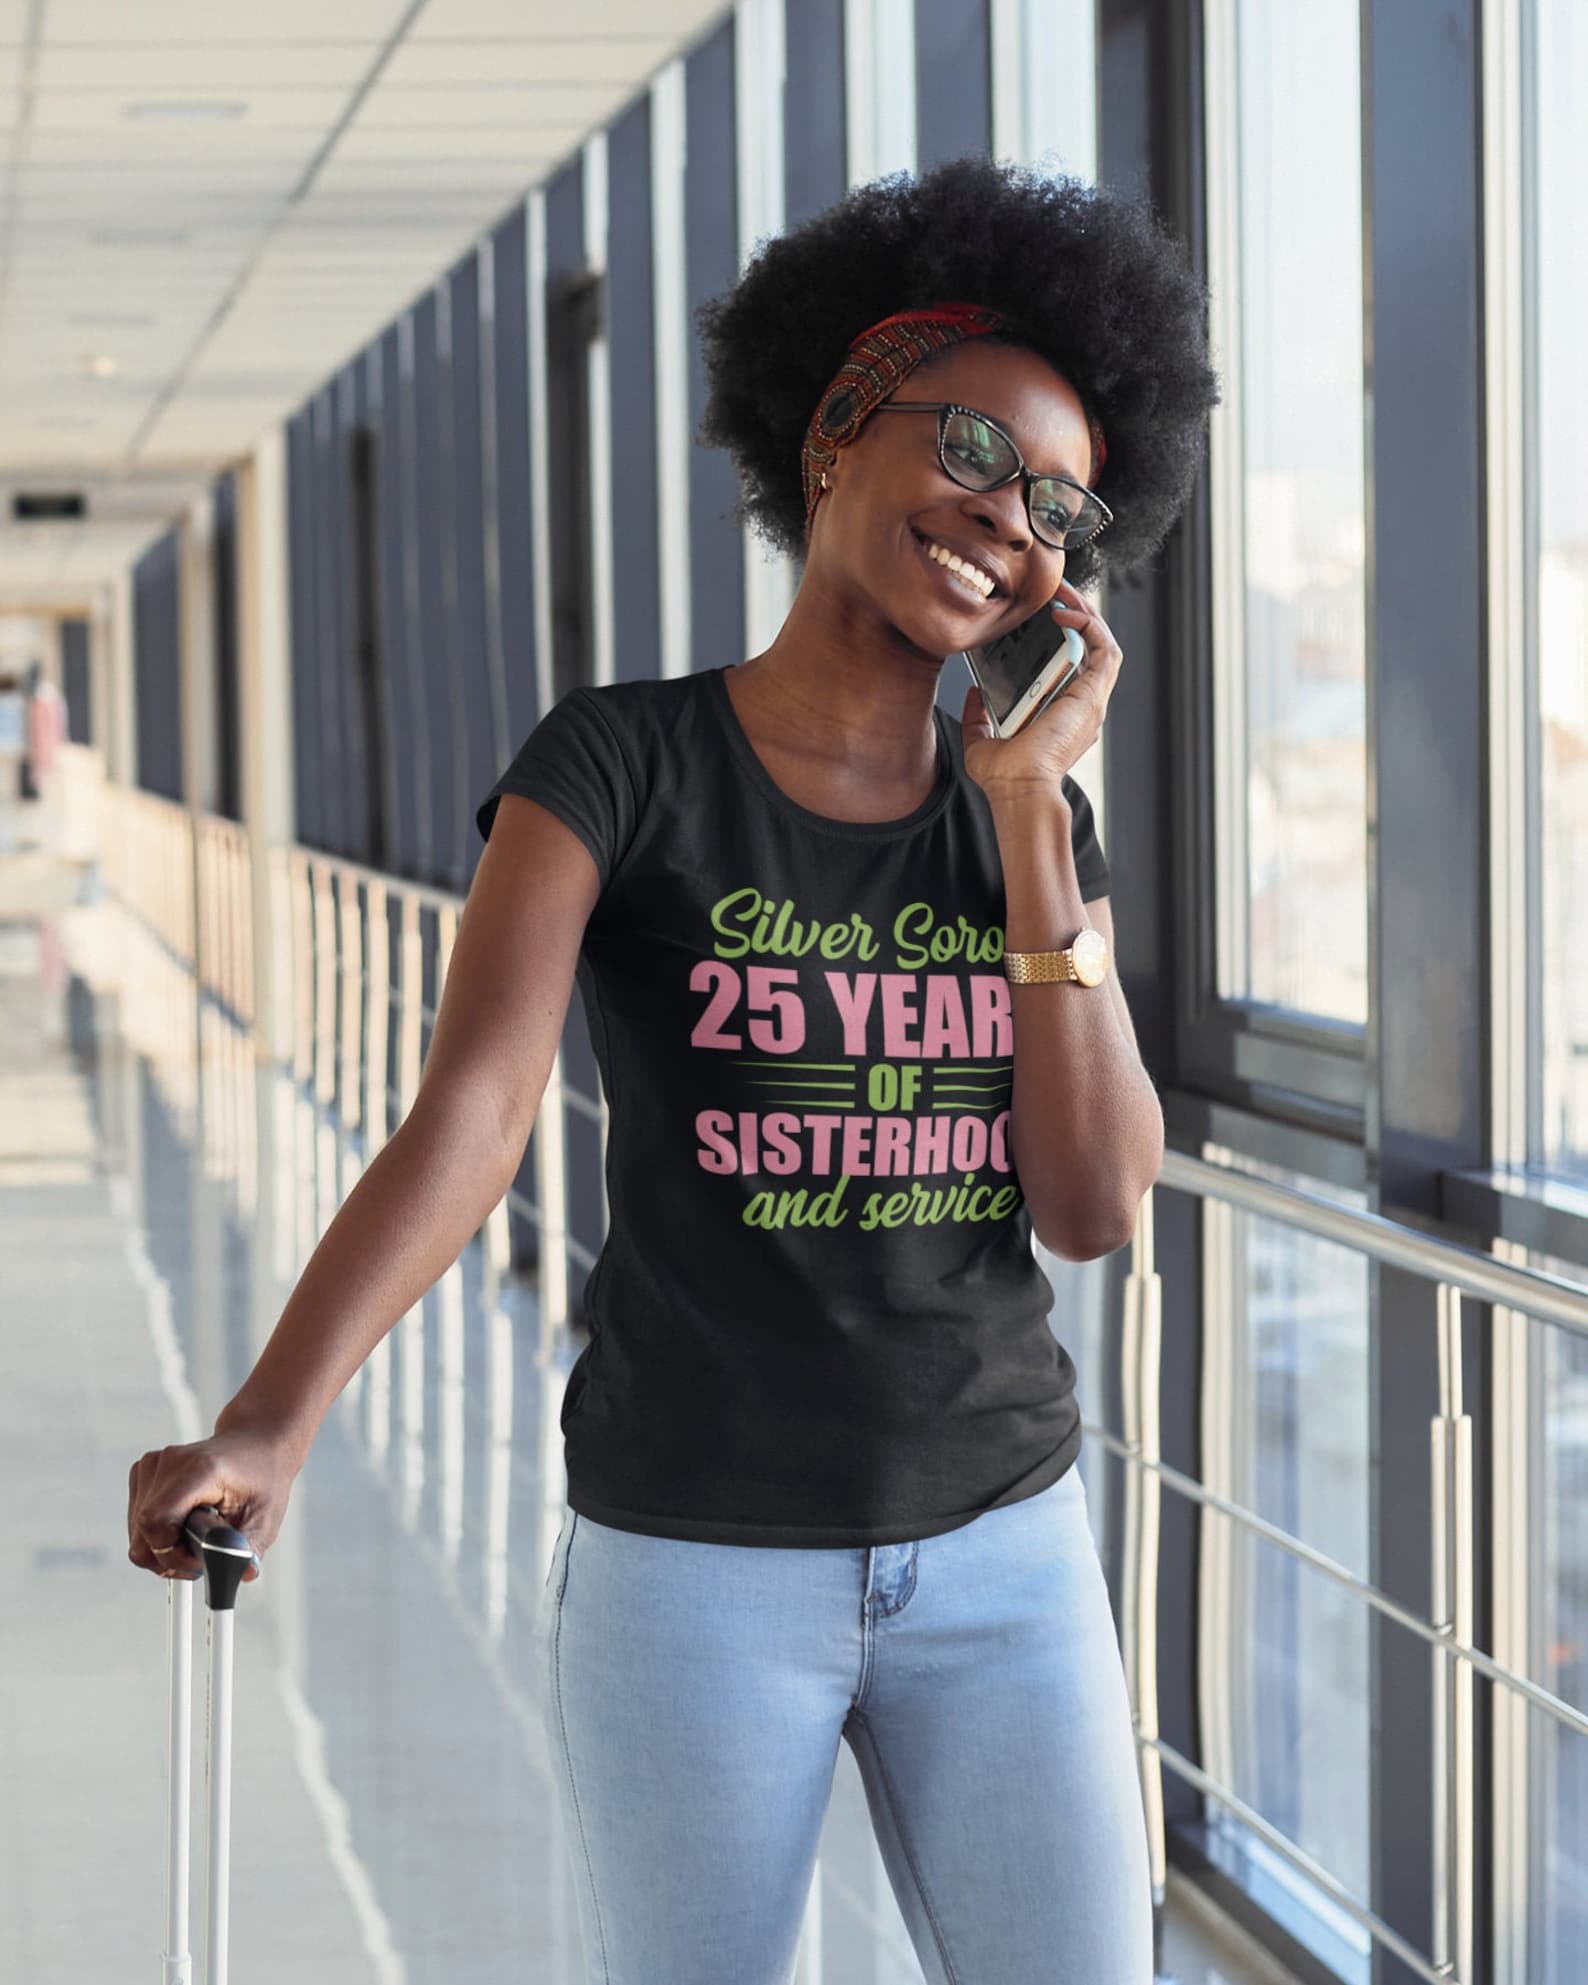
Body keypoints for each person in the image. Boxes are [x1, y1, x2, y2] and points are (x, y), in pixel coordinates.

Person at [128, 155, 1218, 1982]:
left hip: (1006, 1552)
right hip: (695, 1565)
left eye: (1060, 513)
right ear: (839, 427)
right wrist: (273, 1419)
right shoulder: (619, 765)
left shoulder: (1027, 826)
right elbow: (471, 1125)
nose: (1011, 526)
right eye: (974, 451)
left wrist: (1030, 812)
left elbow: (1099, 1204)